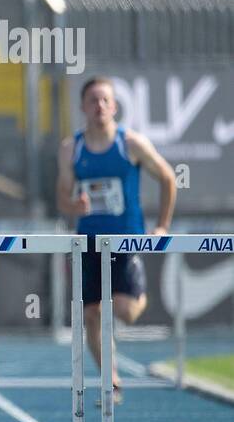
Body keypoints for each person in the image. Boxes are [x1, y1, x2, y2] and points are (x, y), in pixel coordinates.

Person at [56, 76, 176, 405]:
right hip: (88, 242)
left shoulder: (130, 144)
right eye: (93, 101)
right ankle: (111, 381)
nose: (99, 107)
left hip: (125, 240)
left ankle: (137, 298)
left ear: (114, 106)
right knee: (91, 314)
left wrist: (162, 226)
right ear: (82, 107)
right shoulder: (72, 148)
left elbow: (168, 177)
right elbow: (62, 197)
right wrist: (73, 206)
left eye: (105, 100)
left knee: (124, 311)